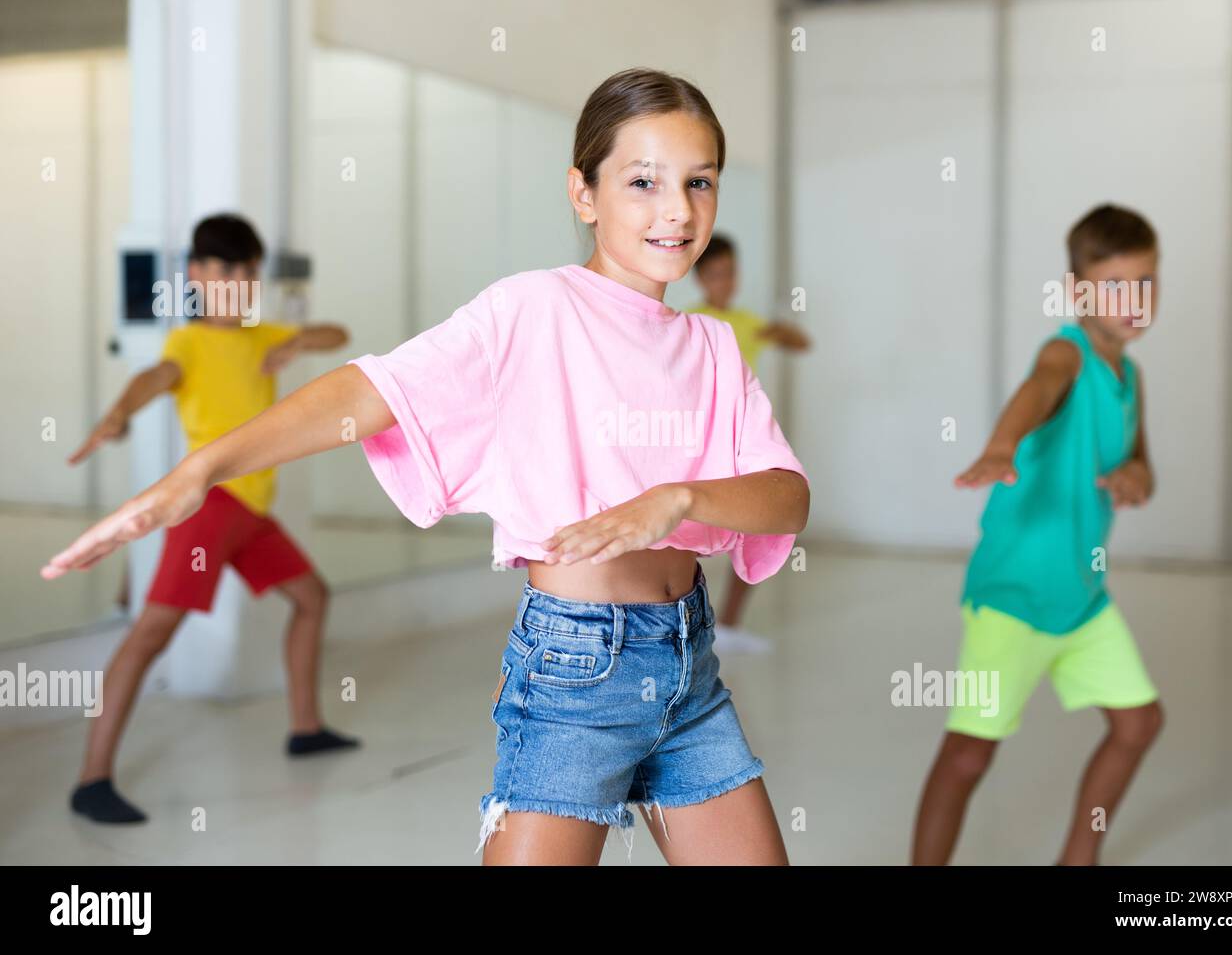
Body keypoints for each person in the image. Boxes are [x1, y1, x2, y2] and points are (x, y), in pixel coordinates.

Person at [43, 70, 810, 865]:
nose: (677, 209)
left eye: (699, 182)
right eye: (643, 182)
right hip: (577, 669)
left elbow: (786, 499)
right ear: (583, 193)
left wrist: (676, 498)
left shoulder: (714, 346)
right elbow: (368, 391)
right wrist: (199, 470)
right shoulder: (533, 309)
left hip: (689, 668)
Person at [63, 214, 357, 824]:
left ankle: (305, 728)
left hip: (252, 513)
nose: (238, 281)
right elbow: (156, 377)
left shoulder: (260, 337)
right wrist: (120, 411)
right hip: (210, 510)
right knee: (151, 634)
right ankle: (91, 779)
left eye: (249, 270)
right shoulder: (190, 342)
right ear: (197, 274)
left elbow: (338, 333)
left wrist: (297, 341)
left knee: (312, 598)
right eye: (225, 269)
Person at [912, 204, 1163, 865]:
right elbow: (1040, 385)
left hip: (1081, 598)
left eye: (1146, 282)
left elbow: (1140, 463)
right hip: (1015, 596)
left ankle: (1078, 858)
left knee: (1139, 723)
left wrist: (1137, 475)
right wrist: (1001, 445)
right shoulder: (1067, 351)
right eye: (1115, 285)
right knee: (969, 755)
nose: (1134, 300)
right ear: (1078, 292)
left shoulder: (1131, 377)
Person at [691, 234, 810, 652]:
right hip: (705, 440)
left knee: (757, 525)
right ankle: (692, 623)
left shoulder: (746, 322)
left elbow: (802, 343)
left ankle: (728, 623)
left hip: (745, 440)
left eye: (731, 273)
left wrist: (781, 330)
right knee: (693, 532)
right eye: (717, 275)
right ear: (701, 278)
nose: (726, 282)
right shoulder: (692, 321)